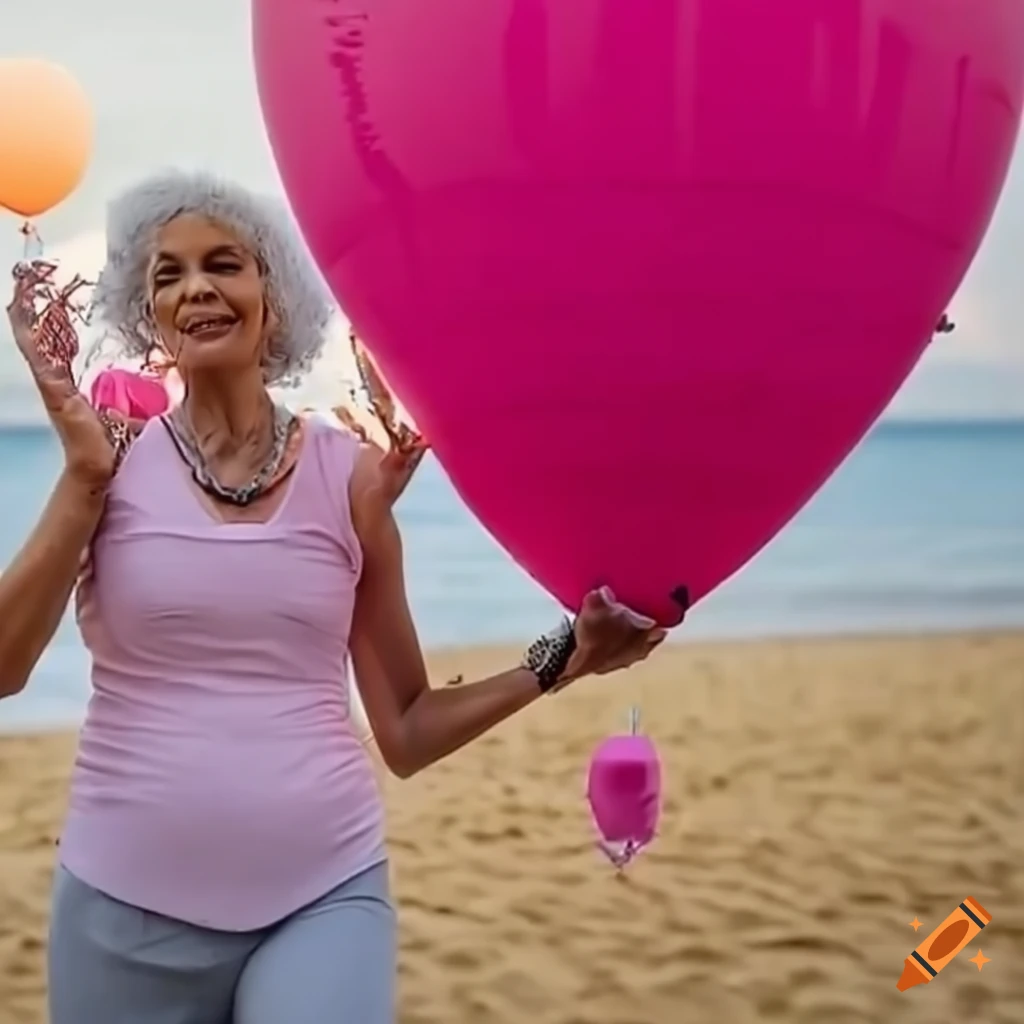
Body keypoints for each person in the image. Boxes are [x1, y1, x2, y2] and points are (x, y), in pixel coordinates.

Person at [0, 170, 669, 1024]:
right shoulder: (111, 465)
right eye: (168, 274)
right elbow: (5, 667)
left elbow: (408, 728)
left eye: (224, 264)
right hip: (122, 904)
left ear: (272, 296)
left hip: (321, 897)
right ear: (149, 313)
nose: (197, 287)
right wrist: (84, 477)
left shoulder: (351, 478)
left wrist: (561, 657)